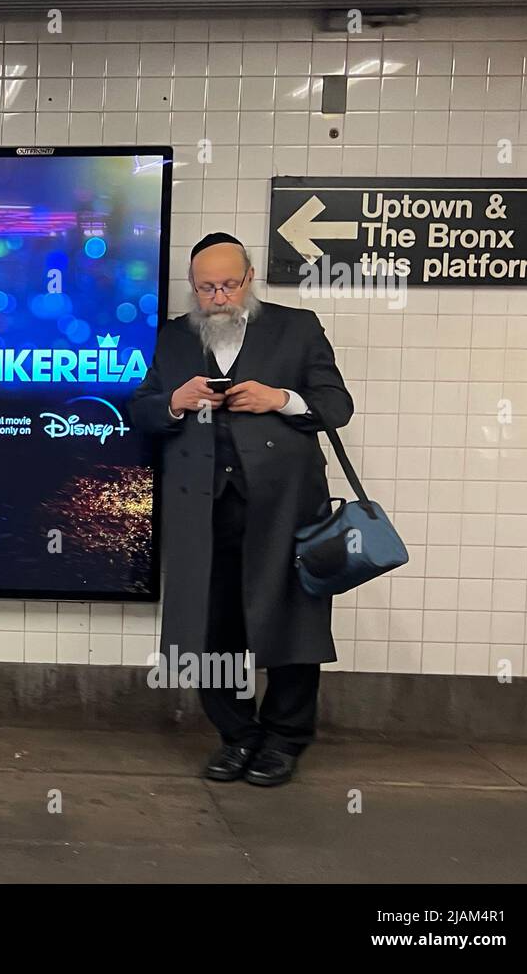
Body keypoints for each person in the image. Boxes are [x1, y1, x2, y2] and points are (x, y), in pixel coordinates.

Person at [129, 232, 353, 786]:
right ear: (193, 288)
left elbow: (336, 405)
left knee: (290, 623)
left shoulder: (296, 328)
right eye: (206, 287)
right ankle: (237, 736)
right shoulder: (173, 338)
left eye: (229, 284)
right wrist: (175, 403)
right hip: (202, 511)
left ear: (250, 279)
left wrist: (281, 399)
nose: (219, 296)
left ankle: (284, 738)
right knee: (210, 628)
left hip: (285, 509)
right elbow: (142, 411)